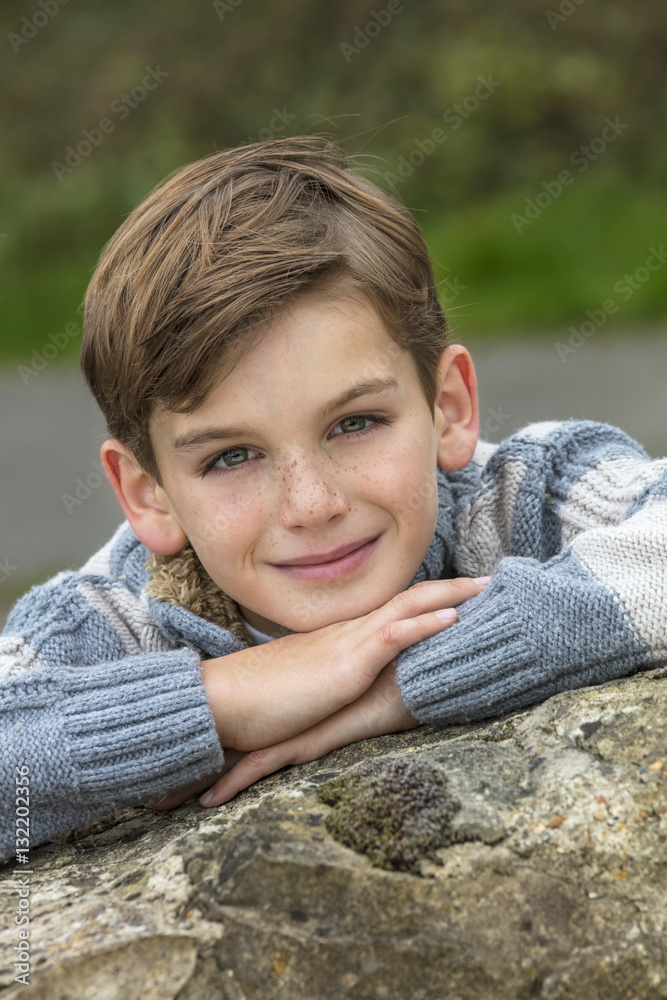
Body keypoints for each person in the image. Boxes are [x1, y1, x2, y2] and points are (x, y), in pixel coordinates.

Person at [1, 136, 665, 861]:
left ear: (447, 407)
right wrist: (223, 697)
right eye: (231, 457)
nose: (311, 505)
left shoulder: (525, 492)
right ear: (149, 492)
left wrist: (401, 685)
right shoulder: (110, 617)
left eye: (354, 423)